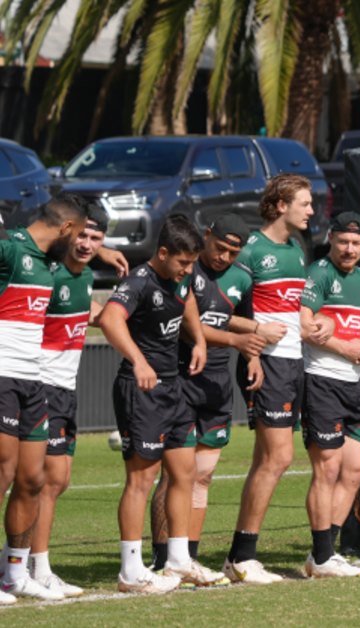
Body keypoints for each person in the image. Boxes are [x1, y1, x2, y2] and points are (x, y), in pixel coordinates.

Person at [101, 215, 227, 593]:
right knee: (141, 480)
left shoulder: (181, 277)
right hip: (143, 390)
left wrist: (200, 340)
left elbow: (187, 299)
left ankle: (178, 559)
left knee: (184, 474)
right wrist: (138, 360)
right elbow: (109, 319)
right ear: (162, 252)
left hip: (174, 388)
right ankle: (130, 570)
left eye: (192, 263)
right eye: (183, 263)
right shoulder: (139, 280)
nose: (189, 271)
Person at [225, 174, 330, 585]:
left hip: (293, 361)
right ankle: (242, 557)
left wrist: (314, 323)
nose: (311, 210)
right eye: (304, 203)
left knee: (268, 460)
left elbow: (292, 310)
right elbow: (215, 305)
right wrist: (252, 336)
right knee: (278, 458)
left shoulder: (296, 248)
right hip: (265, 361)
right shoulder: (250, 248)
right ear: (280, 205)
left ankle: (239, 556)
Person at [149, 215, 267, 573]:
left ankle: (190, 559)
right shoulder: (184, 271)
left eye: (234, 252)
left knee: (202, 476)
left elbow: (242, 323)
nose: (225, 257)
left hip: (216, 384)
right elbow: (187, 327)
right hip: (180, 378)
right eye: (220, 248)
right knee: (174, 475)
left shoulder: (243, 279)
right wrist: (236, 340)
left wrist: (254, 357)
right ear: (207, 236)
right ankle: (161, 559)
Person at [0, 196, 87, 604]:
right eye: (80, 233)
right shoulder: (11, 247)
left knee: (32, 479)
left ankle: (14, 574)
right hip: (2, 375)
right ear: (67, 229)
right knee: (3, 471)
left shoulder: (46, 267)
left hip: (33, 382)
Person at [28, 202, 109, 598]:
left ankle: (31, 563)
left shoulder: (87, 275)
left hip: (66, 389)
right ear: (68, 232)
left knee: (55, 481)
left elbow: (89, 311)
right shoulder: (49, 269)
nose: (87, 243)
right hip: (38, 386)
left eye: (96, 238)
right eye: (82, 235)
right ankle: (33, 567)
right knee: (42, 480)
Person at [298, 212, 360, 577]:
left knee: (356, 470)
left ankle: (323, 554)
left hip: (353, 385)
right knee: (327, 469)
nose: (349, 249)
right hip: (321, 381)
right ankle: (324, 554)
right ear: (331, 239)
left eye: (356, 243)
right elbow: (303, 325)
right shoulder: (318, 273)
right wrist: (345, 347)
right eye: (343, 242)